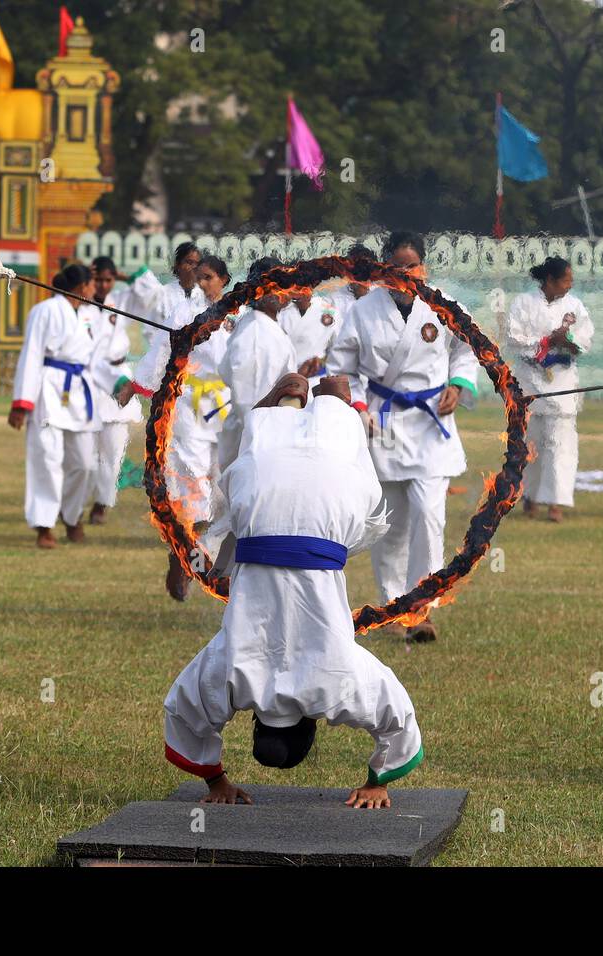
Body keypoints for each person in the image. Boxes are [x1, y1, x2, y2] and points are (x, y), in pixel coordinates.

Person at [163, 372, 422, 808]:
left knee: (348, 503)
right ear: (256, 724)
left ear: (312, 724)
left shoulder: (337, 683)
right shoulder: (231, 674)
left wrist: (379, 779)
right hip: (258, 505)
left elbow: (397, 718)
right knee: (256, 477)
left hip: (329, 509)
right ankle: (277, 414)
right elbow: (183, 714)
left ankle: (335, 406)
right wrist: (214, 781)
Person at [326, 231, 478, 642]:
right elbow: (341, 366)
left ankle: (421, 605)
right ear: (384, 268)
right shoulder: (363, 310)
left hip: (431, 420)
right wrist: (357, 406)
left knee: (430, 516)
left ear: (424, 267)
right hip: (384, 420)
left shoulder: (443, 304)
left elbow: (466, 349)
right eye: (396, 267)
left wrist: (460, 384)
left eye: (412, 266)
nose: (404, 273)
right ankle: (395, 604)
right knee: (390, 524)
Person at [129, 255, 237, 598]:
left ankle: (201, 552)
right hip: (189, 407)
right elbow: (163, 350)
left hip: (226, 408)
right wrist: (139, 384)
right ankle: (183, 555)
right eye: (199, 277)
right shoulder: (182, 312)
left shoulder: (240, 316)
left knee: (225, 486)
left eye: (209, 277)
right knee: (191, 483)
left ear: (223, 280)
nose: (203, 283)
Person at [9, 264, 121, 548]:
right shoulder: (45, 311)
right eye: (92, 283)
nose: (96, 288)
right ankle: (44, 525)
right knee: (46, 458)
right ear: (82, 286)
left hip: (79, 391)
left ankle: (71, 515)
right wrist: (22, 402)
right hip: (48, 388)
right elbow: (31, 354)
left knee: (84, 463)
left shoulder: (88, 315)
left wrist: (119, 383)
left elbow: (95, 361)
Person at [507, 257, 594, 522]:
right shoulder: (523, 303)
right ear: (550, 280)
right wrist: (545, 341)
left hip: (562, 382)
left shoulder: (575, 306)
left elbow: (585, 340)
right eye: (566, 280)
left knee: (559, 443)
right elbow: (514, 338)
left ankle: (555, 502)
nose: (570, 284)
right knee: (530, 443)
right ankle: (530, 497)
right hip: (530, 380)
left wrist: (565, 340)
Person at [84, 258, 144, 526]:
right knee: (86, 453)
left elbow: (150, 291)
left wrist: (122, 275)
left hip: (117, 378)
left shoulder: (120, 298)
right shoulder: (79, 302)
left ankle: (102, 503)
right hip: (87, 379)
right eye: (99, 279)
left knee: (113, 451)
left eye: (108, 280)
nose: (103, 285)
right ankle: (81, 498)